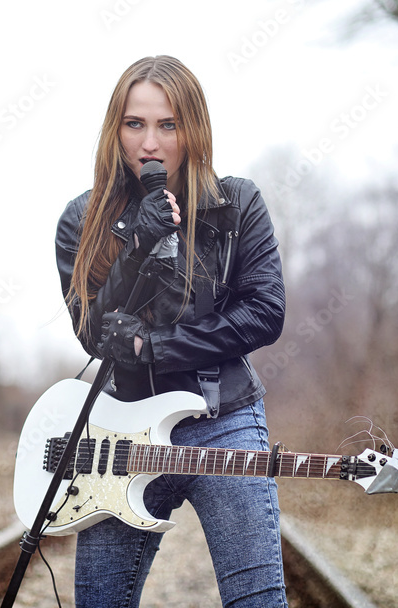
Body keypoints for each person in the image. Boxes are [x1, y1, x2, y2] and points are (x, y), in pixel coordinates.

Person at [54, 55, 289, 607]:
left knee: (258, 600)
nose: (150, 143)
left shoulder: (236, 203)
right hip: (122, 434)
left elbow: (265, 311)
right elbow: (93, 334)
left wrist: (158, 345)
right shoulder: (81, 220)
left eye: (168, 124)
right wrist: (135, 245)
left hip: (222, 417)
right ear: (116, 130)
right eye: (135, 124)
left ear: (193, 129)